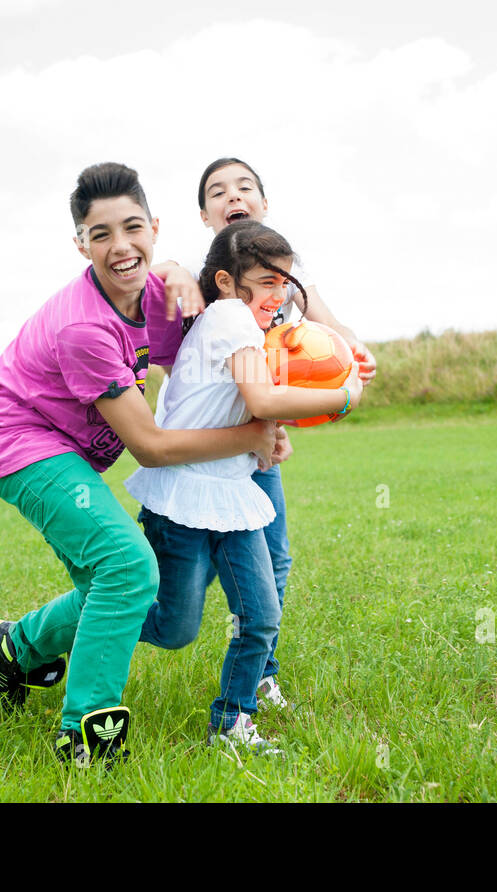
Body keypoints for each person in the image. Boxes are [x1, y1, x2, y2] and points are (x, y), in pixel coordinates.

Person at [0, 162, 277, 767]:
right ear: (80, 244)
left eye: (132, 227)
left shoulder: (158, 298)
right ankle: (84, 736)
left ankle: (13, 647)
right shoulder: (84, 327)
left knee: (118, 589)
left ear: (155, 228)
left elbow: (200, 364)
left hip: (70, 451)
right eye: (100, 234)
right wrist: (252, 434)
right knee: (127, 568)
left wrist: (180, 275)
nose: (120, 246)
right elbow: (153, 447)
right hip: (19, 443)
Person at [126, 220, 363, 752]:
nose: (277, 294)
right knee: (172, 627)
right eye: (266, 281)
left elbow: (250, 411)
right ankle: (80, 621)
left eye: (284, 283)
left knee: (260, 617)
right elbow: (262, 402)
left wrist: (270, 438)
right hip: (183, 499)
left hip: (230, 499)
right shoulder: (229, 317)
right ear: (228, 283)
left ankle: (231, 722)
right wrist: (342, 397)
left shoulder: (251, 331)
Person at [194, 157, 377, 711]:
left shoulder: (284, 271)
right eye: (218, 191)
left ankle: (258, 674)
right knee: (184, 584)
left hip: (258, 443)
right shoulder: (206, 280)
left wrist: (353, 348)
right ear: (205, 215)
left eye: (246, 186)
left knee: (275, 562)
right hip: (208, 448)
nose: (234, 195)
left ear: (264, 202)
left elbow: (324, 324)